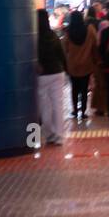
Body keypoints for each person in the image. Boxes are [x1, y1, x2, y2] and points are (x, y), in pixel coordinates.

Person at [36, 8, 69, 145]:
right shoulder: (53, 35)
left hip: (42, 75)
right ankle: (59, 137)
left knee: (44, 106)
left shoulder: (34, 36)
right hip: (57, 73)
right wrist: (66, 69)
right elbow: (61, 54)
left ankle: (49, 135)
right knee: (58, 105)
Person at [62, 10, 99, 123]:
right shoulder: (90, 29)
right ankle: (83, 112)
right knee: (84, 89)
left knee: (74, 88)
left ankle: (74, 110)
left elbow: (65, 48)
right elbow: (95, 44)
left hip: (72, 65)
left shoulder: (68, 32)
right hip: (87, 64)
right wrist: (95, 59)